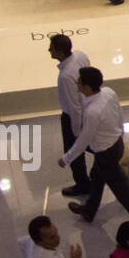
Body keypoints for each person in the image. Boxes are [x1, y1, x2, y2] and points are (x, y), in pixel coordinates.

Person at [58, 67, 129, 231]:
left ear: (87, 87)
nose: (77, 84)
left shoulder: (92, 112)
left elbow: (83, 140)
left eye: (79, 82)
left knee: (121, 189)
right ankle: (89, 211)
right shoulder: (109, 92)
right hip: (116, 144)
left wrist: (67, 158)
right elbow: (119, 114)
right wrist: (120, 134)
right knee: (96, 176)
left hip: (105, 153)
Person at [48, 34, 92, 196]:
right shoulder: (80, 55)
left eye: (51, 48)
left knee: (74, 149)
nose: (49, 50)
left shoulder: (65, 76)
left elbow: (74, 107)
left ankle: (82, 183)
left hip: (73, 117)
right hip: (88, 106)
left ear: (59, 52)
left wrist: (76, 131)